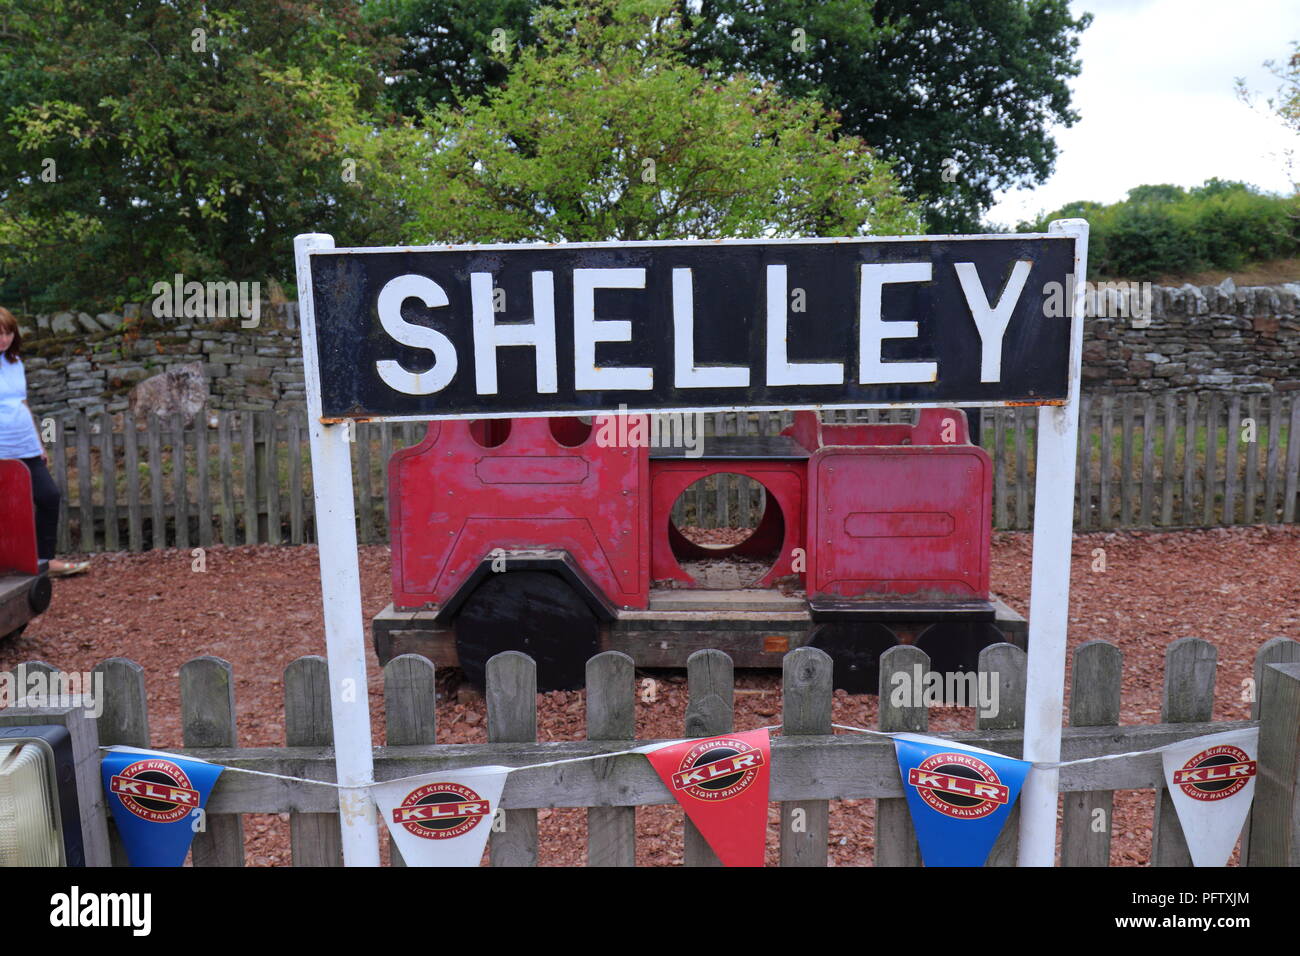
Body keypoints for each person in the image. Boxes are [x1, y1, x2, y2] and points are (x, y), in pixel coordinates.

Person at [0, 306, 89, 577]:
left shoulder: (15, 364)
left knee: (49, 497)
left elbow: (23, 403)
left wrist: (38, 443)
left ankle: (45, 560)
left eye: (8, 333)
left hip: (24, 444)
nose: (3, 339)